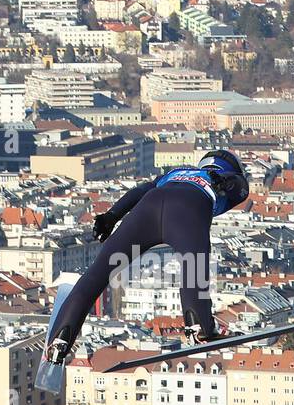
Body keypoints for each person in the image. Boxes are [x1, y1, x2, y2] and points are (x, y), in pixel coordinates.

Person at [43, 149, 250, 366]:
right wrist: (224, 180)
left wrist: (111, 216)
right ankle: (199, 326)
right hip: (189, 208)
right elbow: (239, 186)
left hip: (148, 207)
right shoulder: (225, 180)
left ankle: (61, 338)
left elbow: (140, 190)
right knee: (193, 268)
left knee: (98, 272)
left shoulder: (178, 172)